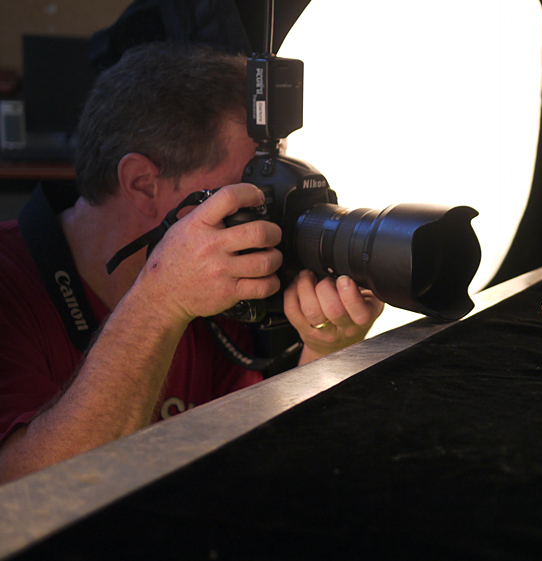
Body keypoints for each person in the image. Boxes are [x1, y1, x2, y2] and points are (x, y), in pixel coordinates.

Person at [0, 43, 384, 483]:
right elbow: (24, 492)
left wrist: (322, 351)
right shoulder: (11, 283)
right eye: (254, 179)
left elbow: (245, 463)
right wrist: (159, 301)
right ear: (143, 184)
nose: (269, 201)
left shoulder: (217, 276)